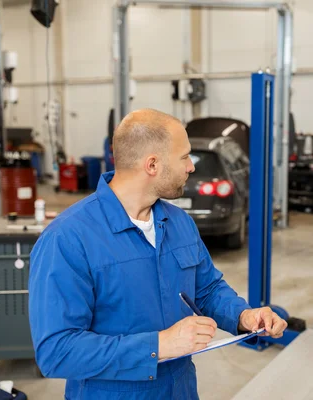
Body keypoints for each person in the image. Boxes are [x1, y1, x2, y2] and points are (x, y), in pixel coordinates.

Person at [28, 109, 287, 399]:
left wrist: (244, 315)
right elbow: (57, 351)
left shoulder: (179, 223)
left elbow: (207, 290)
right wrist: (160, 345)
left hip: (180, 390)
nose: (191, 167)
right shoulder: (68, 238)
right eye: (185, 157)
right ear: (152, 164)